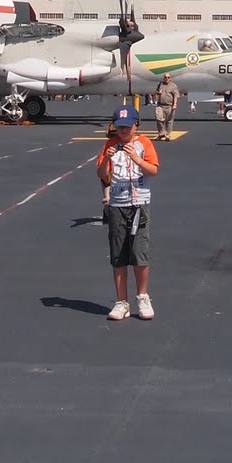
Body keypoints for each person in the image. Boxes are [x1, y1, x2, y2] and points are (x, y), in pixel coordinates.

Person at [97, 107, 160, 320]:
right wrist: (107, 159)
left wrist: (137, 159)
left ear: (136, 125)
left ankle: (142, 296)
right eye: (119, 127)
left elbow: (153, 170)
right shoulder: (110, 145)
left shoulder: (144, 144)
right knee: (118, 254)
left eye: (127, 126)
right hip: (117, 204)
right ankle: (121, 301)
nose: (123, 130)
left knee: (139, 253)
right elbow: (102, 175)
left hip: (139, 204)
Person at [152, 75, 182, 142]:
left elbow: (176, 96)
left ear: (170, 78)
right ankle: (161, 133)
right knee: (158, 119)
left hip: (169, 105)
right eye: (165, 77)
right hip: (160, 105)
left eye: (168, 77)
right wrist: (158, 93)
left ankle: (167, 135)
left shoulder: (173, 86)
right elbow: (156, 92)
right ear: (163, 78)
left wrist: (174, 104)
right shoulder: (160, 84)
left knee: (169, 121)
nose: (167, 79)